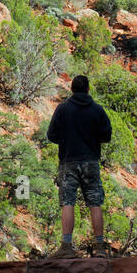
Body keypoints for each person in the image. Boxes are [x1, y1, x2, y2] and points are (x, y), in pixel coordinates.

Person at [46, 75, 113, 257]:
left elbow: (51, 135)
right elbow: (106, 135)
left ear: (72, 89)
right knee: (95, 203)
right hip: (90, 161)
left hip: (68, 161)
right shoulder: (97, 110)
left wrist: (67, 139)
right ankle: (99, 248)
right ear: (88, 89)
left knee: (68, 202)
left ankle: (66, 247)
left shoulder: (63, 109)